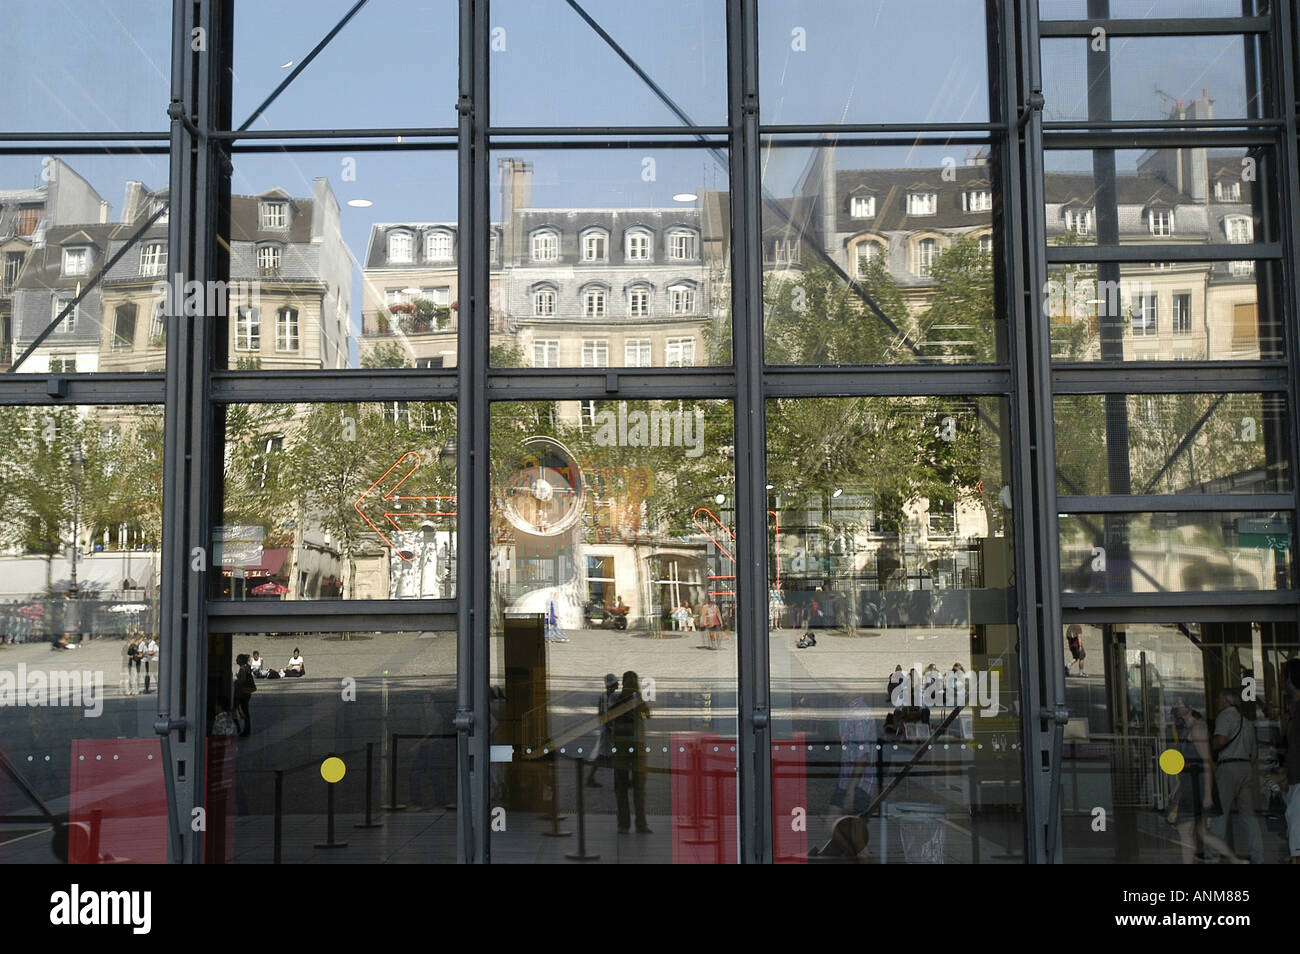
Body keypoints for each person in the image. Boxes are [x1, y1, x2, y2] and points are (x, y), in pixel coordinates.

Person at [1168, 700, 1242, 864]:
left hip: (1196, 787)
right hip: (1192, 785)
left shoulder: (1197, 729)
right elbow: (1191, 764)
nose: (1176, 707)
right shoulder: (1189, 729)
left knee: (1186, 830)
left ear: (1189, 707)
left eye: (1179, 704)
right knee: (1201, 833)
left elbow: (1206, 762)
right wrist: (1177, 788)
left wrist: (1208, 794)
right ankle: (1235, 860)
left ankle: (1234, 860)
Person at [1209, 687, 1264, 864]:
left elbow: (1221, 740)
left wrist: (1211, 743)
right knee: (1248, 816)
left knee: (1220, 814)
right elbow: (1254, 754)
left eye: (1219, 699)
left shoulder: (1225, 716)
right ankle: (1258, 856)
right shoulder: (1246, 722)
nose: (1217, 702)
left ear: (1226, 701)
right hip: (1246, 768)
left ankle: (1212, 855)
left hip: (1229, 767)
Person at [611, 670, 651, 834]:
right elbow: (647, 715)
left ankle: (624, 824)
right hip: (636, 746)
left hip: (621, 746)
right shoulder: (630, 699)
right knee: (638, 788)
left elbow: (646, 714)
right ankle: (640, 824)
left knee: (622, 788)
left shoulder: (618, 699)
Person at [1268, 658, 1300, 863]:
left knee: (1297, 839)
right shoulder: (1295, 712)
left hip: (1298, 782)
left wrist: (1284, 774)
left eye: (1284, 677)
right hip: (1295, 780)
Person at [586, 672, 620, 787]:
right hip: (608, 730)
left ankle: (619, 781)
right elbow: (603, 714)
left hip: (608, 729)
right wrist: (608, 726)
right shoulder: (613, 697)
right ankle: (590, 778)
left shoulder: (604, 696)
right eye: (616, 683)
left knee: (608, 755)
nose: (618, 685)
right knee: (604, 755)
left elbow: (600, 713)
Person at [232, 653, 256, 738]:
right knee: (245, 710)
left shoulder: (242, 669)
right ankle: (246, 729)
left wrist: (236, 681)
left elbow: (242, 680)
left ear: (240, 661)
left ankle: (239, 728)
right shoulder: (247, 667)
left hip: (241, 693)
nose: (236, 660)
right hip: (247, 692)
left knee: (235, 709)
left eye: (237, 659)